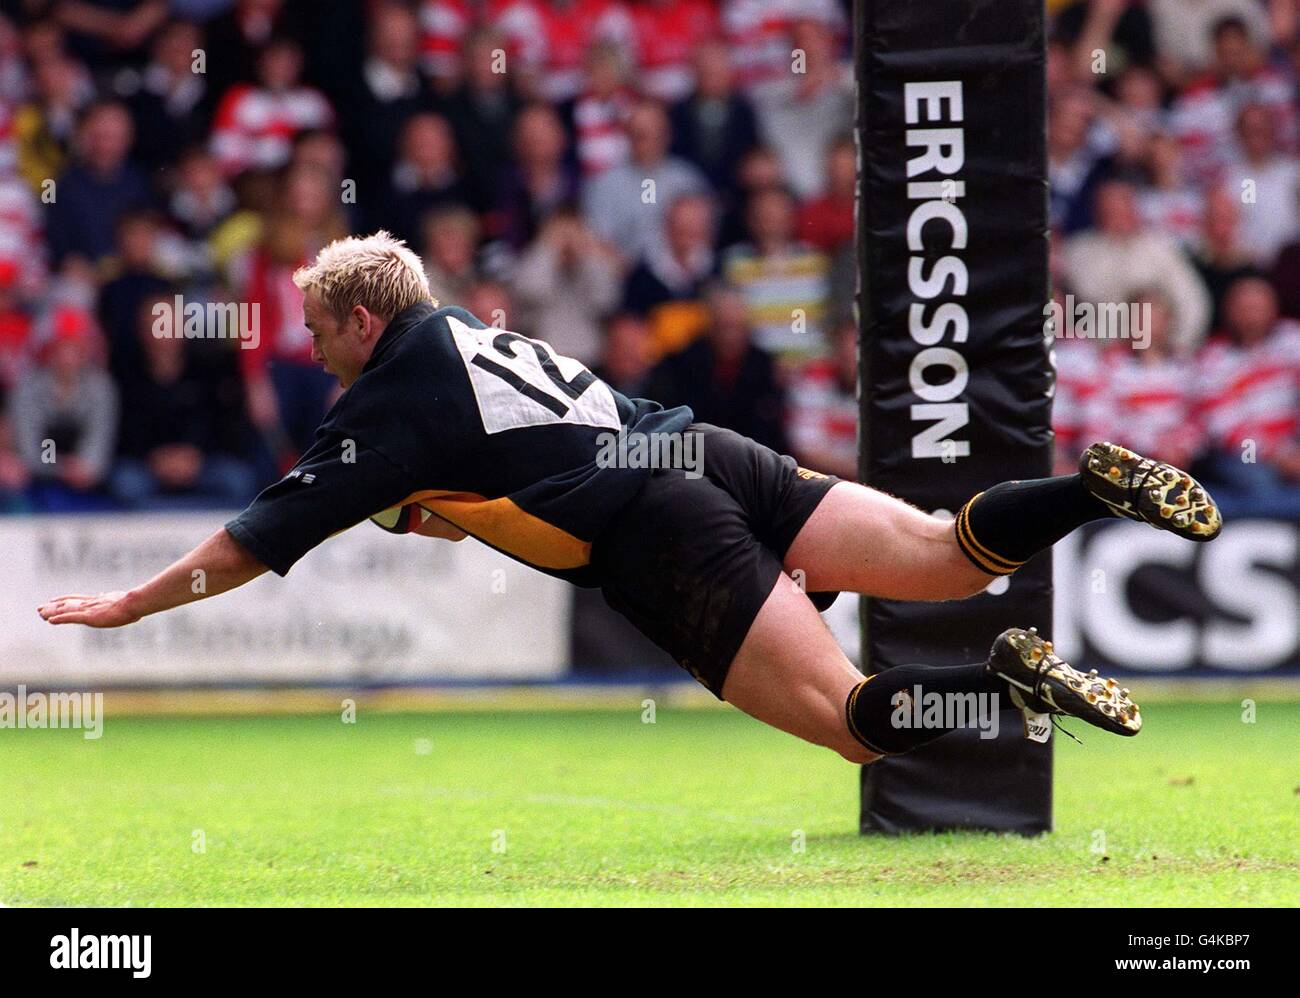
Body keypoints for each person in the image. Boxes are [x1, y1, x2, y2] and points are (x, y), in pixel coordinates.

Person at [39, 232, 1225, 763]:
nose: (311, 352)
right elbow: (465, 476)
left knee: (853, 723)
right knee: (939, 552)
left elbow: (250, 541)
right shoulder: (465, 329)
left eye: (317, 331)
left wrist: (131, 608)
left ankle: (1003, 681)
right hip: (699, 447)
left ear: (364, 318)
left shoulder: (385, 402)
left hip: (650, 521)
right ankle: (1085, 486)